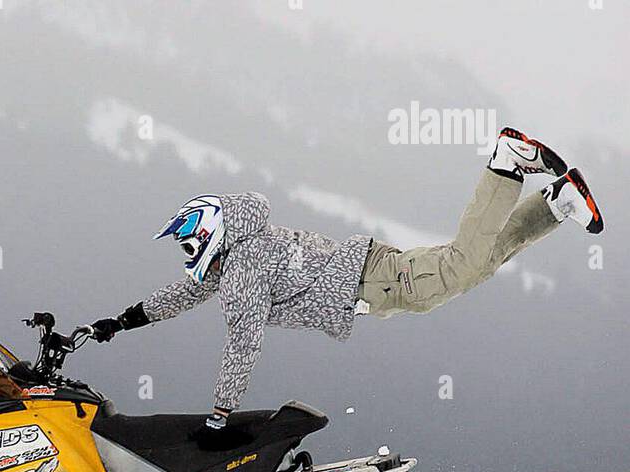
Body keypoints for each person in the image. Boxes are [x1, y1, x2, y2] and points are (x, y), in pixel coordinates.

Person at [89, 128, 603, 427]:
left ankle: (504, 165)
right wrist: (124, 320)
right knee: (475, 265)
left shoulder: (243, 269)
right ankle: (555, 203)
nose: (187, 254)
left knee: (462, 266)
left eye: (189, 242)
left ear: (210, 232)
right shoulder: (240, 257)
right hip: (369, 277)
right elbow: (184, 293)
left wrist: (221, 415)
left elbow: (242, 343)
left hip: (369, 282)